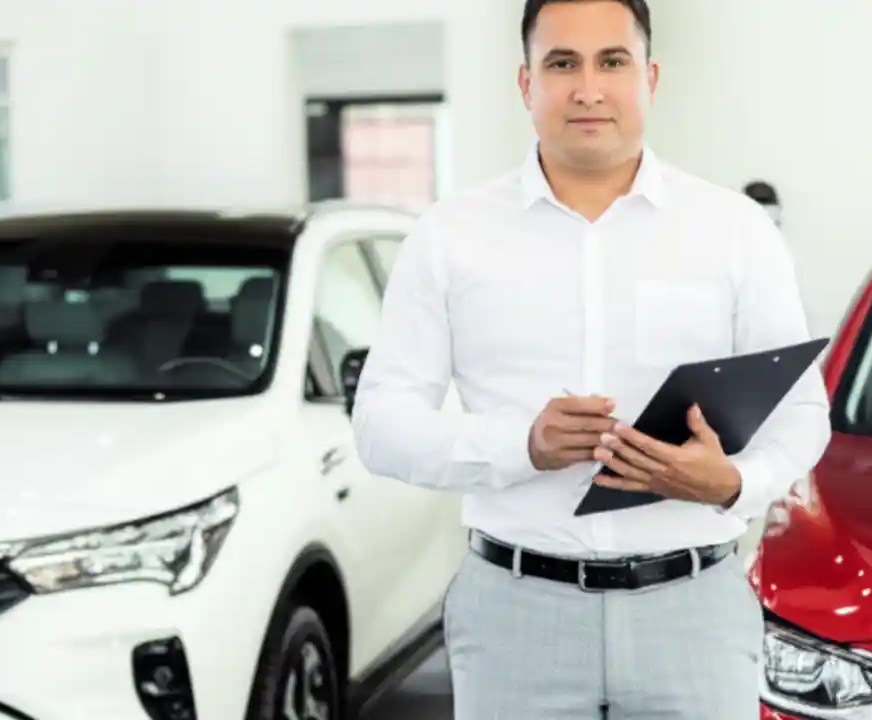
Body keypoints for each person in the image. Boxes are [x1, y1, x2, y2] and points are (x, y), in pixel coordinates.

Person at [351, 1, 830, 717]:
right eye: (561, 63)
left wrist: (732, 481)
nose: (588, 88)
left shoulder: (734, 230)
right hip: (516, 615)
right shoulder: (451, 236)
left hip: (693, 610)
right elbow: (382, 425)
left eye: (612, 61)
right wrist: (521, 444)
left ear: (651, 78)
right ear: (526, 84)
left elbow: (802, 414)